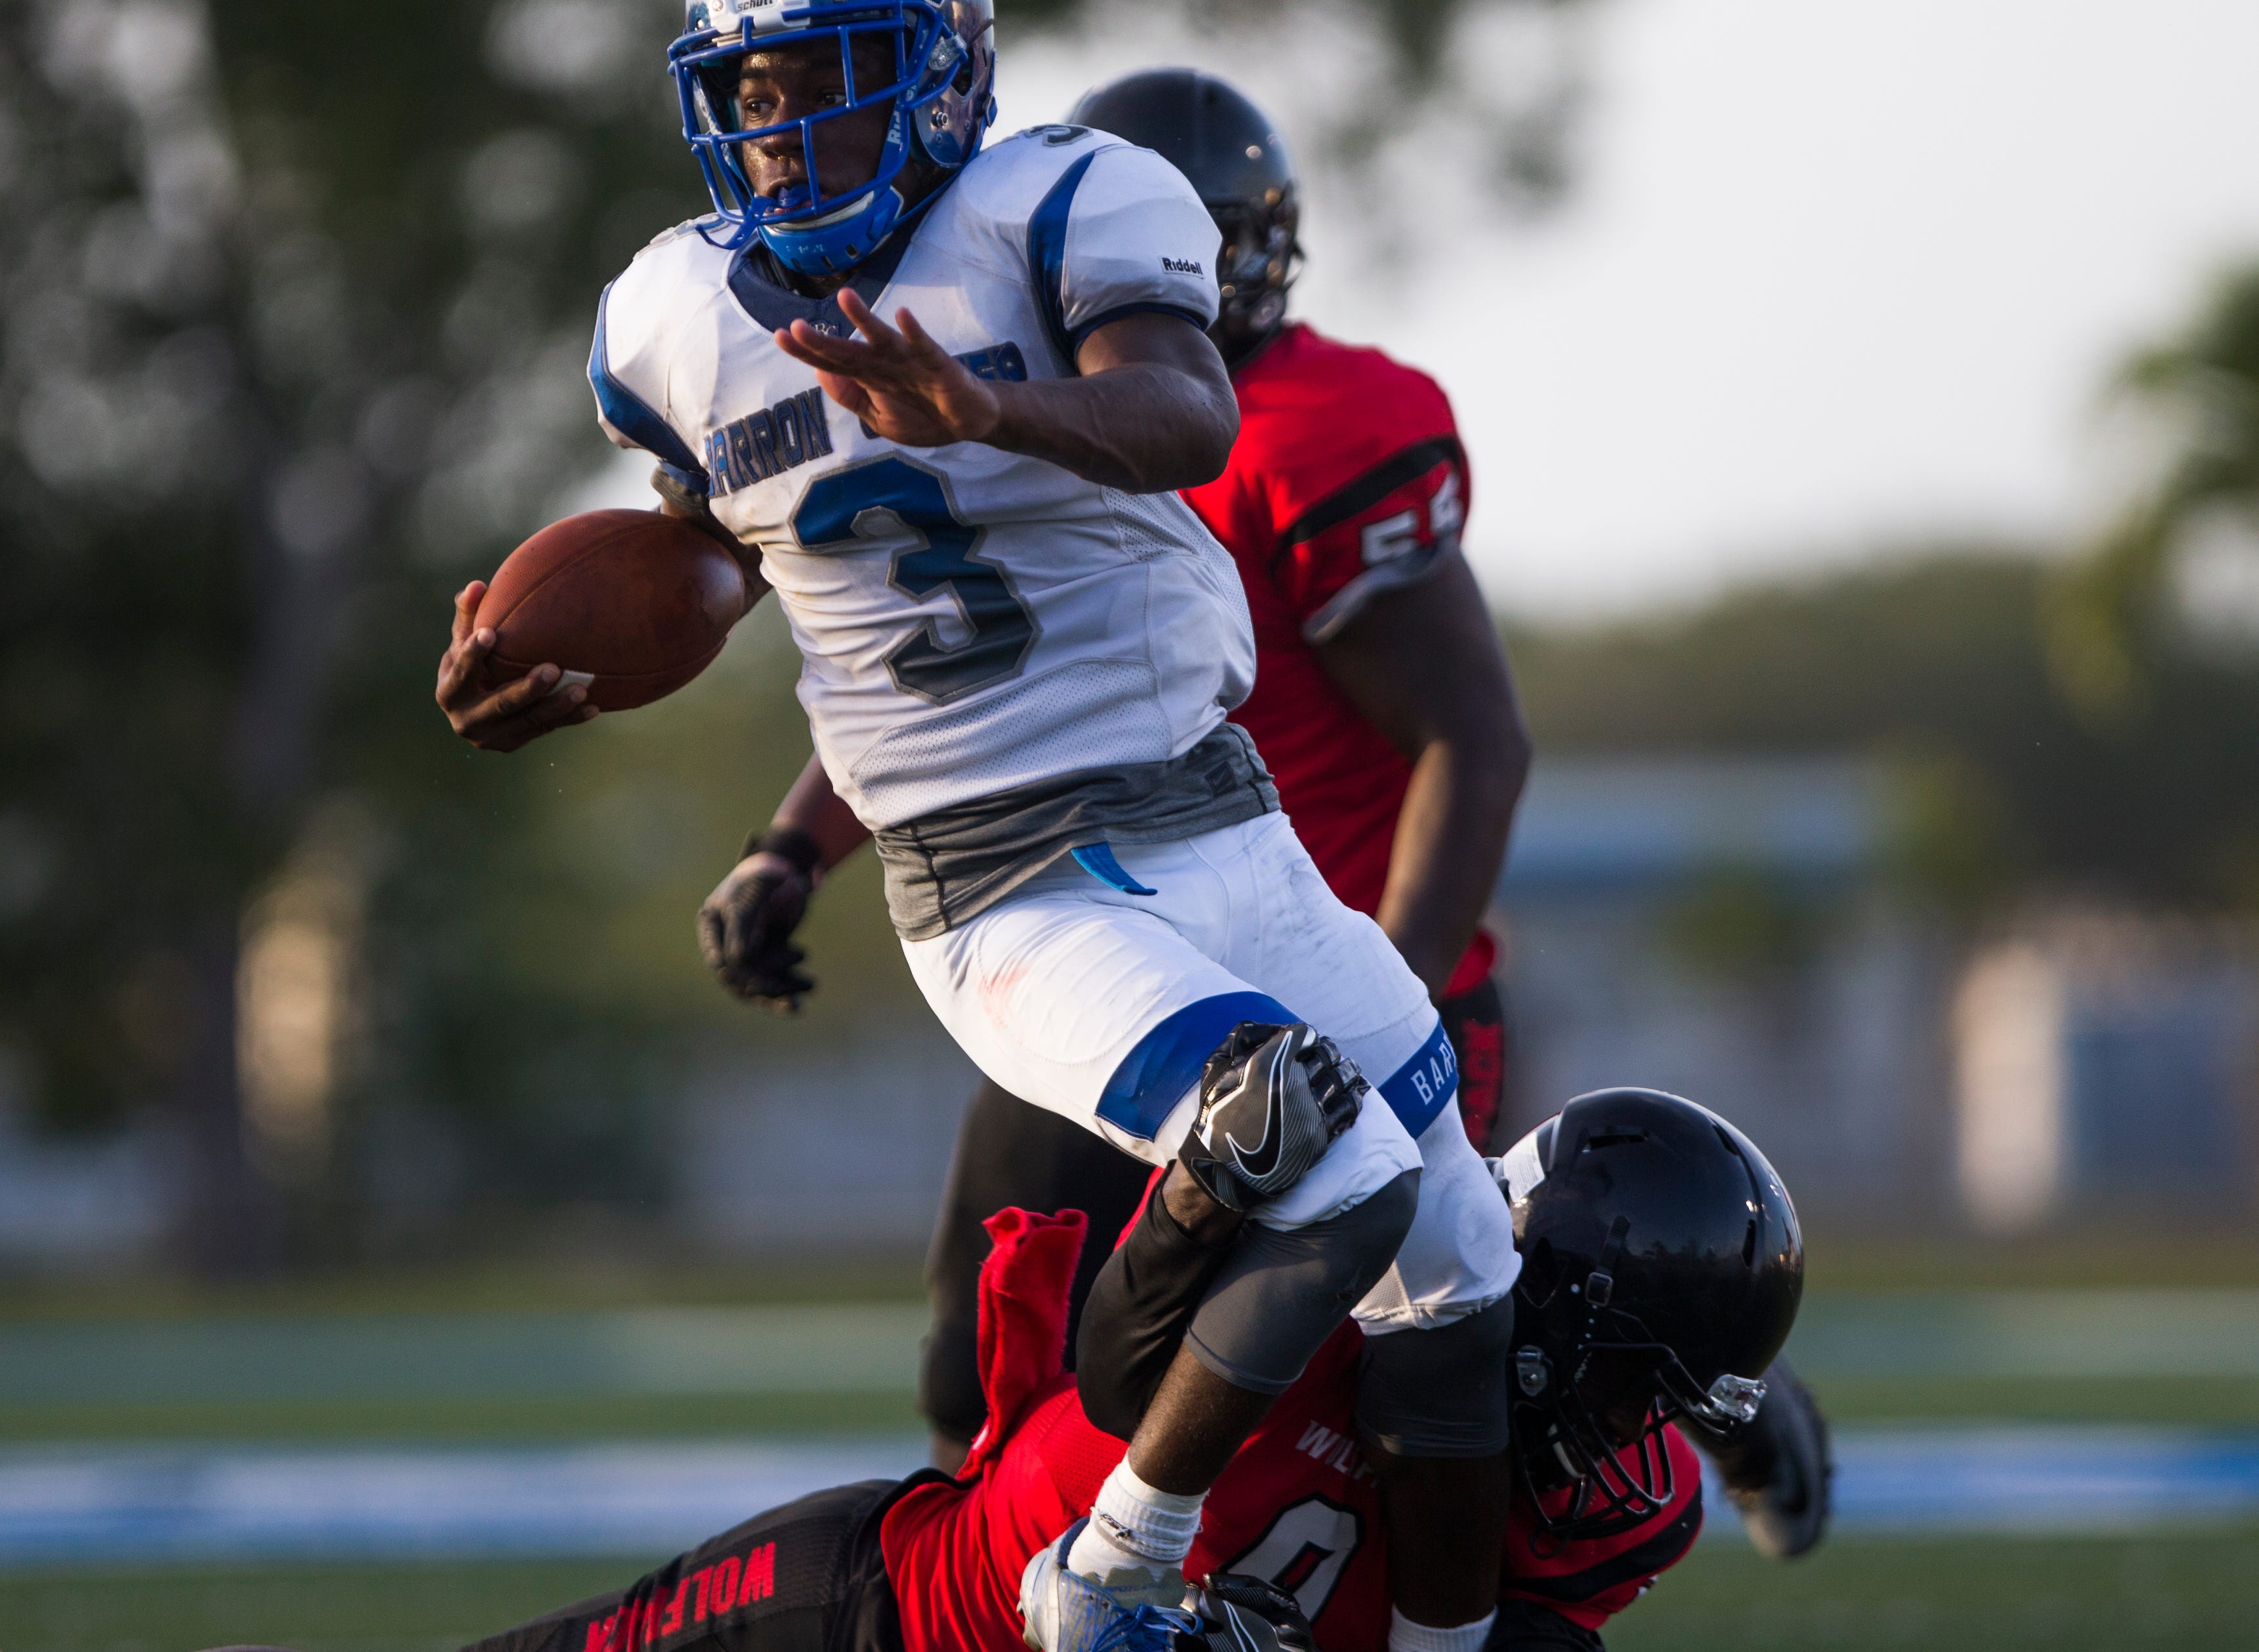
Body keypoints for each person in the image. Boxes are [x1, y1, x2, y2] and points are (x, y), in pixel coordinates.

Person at [436, 7, 1523, 1647]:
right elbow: (726, 554)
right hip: (1003, 881)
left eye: (822, 81)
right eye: (754, 91)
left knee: (1460, 1267)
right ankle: (1106, 1575)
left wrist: (990, 411)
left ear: (940, 75)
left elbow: (1186, 415)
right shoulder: (670, 314)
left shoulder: (1071, 205)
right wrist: (572, 659)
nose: (783, 126)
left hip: (1226, 826)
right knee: (1330, 1167)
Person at [691, 66, 1832, 1565]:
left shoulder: (1304, 429)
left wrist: (1389, 997)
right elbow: (946, 683)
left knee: (1447, 1375)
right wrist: (794, 844)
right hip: (1096, 940)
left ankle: (1718, 1397)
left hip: (1315, 941)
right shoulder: (966, 397)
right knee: (990, 1376)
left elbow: (1474, 743)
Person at [453, 1088, 1805, 1652]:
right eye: (1633, 1388)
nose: (1635, 1438)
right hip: (900, 1617)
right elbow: (1116, 1371)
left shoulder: (1607, 1504)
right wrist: (1194, 1205)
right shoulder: (1322, 1290)